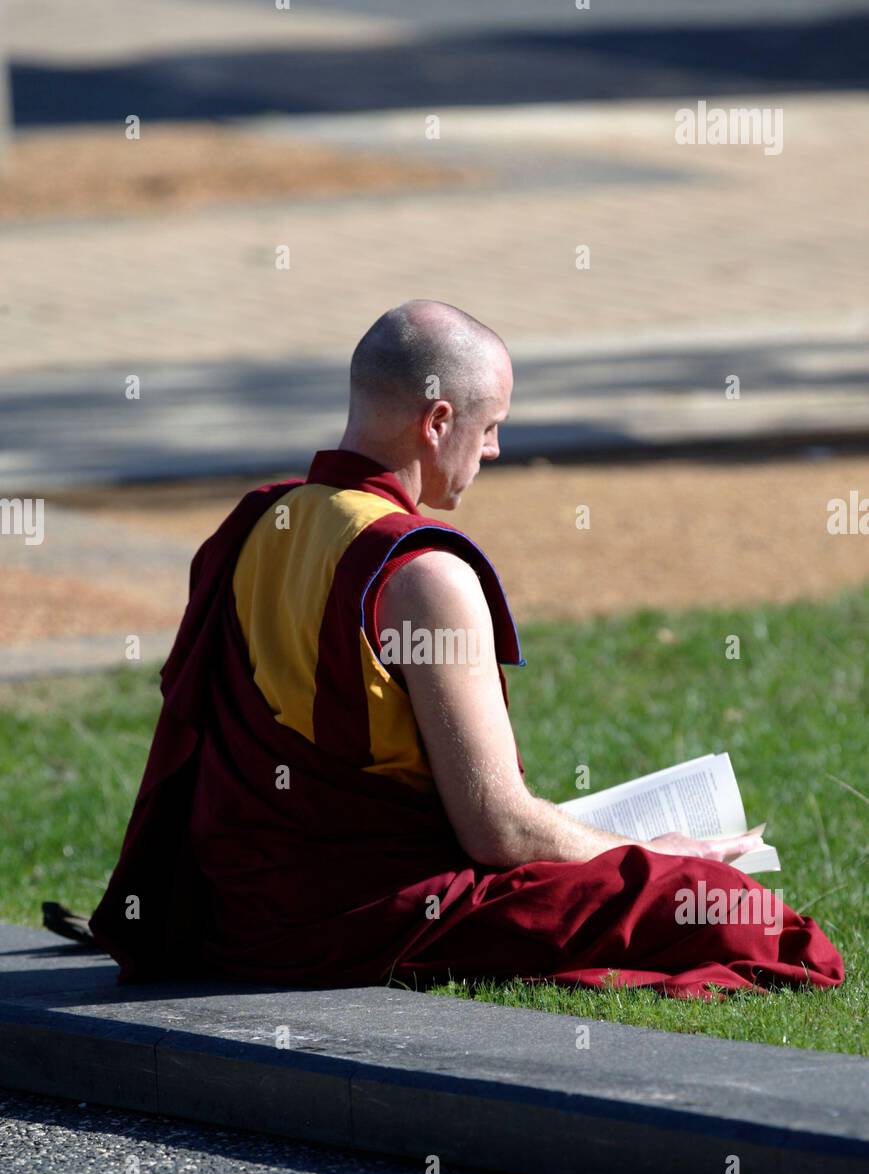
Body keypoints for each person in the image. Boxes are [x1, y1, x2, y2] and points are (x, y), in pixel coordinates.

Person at [85, 300, 844, 998]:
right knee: (738, 913)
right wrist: (664, 858)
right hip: (356, 917)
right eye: (488, 428)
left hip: (228, 907)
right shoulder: (422, 573)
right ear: (437, 420)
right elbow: (498, 829)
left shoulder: (257, 524)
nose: (496, 449)